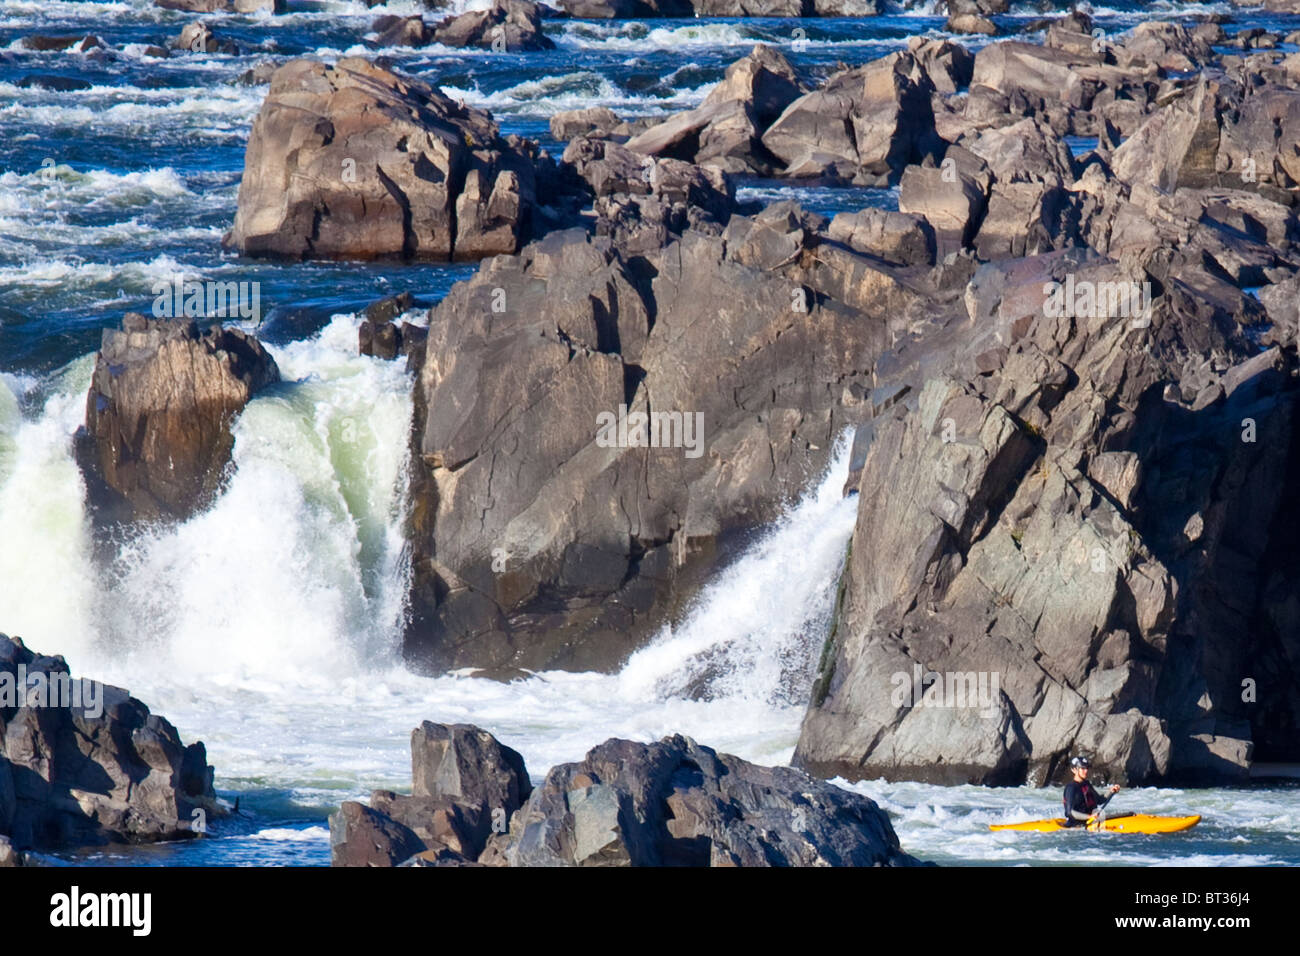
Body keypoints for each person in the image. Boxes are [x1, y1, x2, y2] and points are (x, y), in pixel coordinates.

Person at [1062, 756, 1120, 828]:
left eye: (1086, 768)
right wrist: (1089, 816)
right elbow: (1070, 812)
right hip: (1076, 826)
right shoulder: (1071, 788)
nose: (1086, 771)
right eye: (1082, 768)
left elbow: (1100, 800)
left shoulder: (1087, 784)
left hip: (1090, 822)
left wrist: (1111, 791)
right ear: (1074, 770)